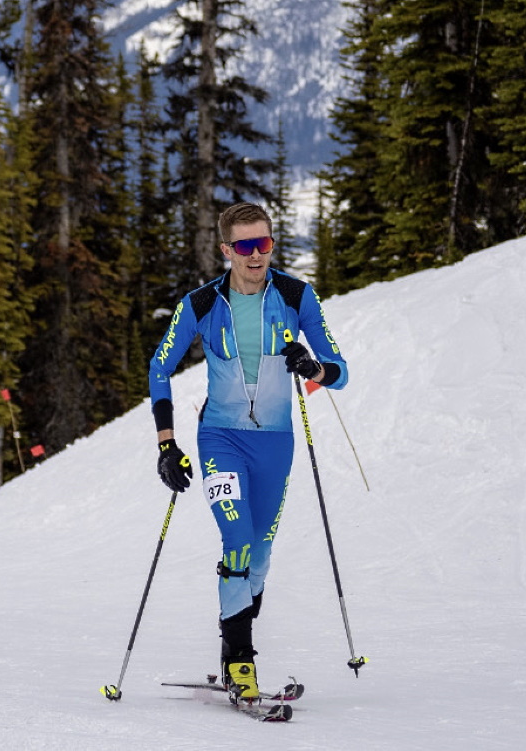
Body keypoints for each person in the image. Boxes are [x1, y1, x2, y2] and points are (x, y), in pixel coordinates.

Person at [148, 202, 349, 701]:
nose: (256, 255)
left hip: (276, 443)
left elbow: (339, 368)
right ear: (226, 250)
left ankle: (230, 636)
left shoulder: (296, 295)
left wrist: (313, 366)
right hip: (220, 437)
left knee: (258, 556)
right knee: (236, 539)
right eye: (244, 246)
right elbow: (159, 368)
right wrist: (167, 445)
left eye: (264, 244)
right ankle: (241, 661)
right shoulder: (201, 303)